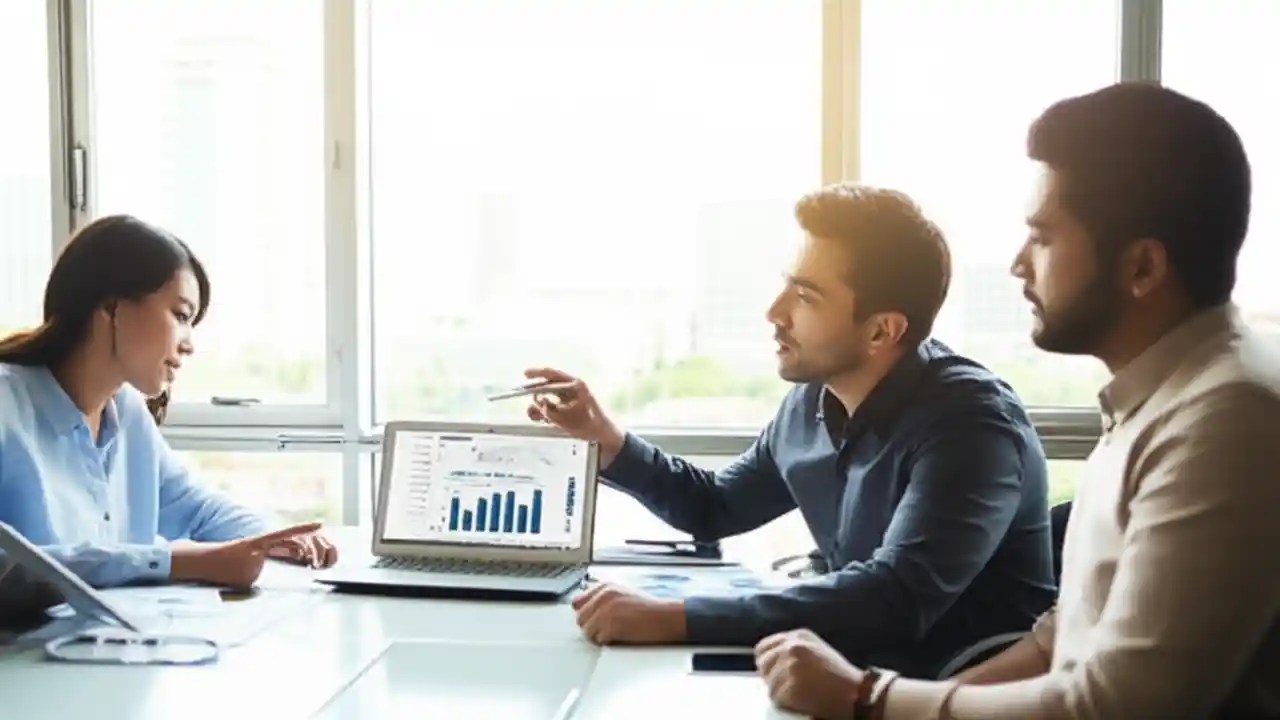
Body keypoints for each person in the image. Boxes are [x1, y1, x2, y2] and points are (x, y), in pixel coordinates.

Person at [755, 82, 1280, 719]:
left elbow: (1121, 703)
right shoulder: (1156, 399)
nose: (1017, 264)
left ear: (1142, 268)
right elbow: (1058, 642)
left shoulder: (1227, 419)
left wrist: (867, 698)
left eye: (1043, 237)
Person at [528, 185, 1056, 677]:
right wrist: (607, 441)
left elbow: (897, 598)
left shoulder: (971, 426)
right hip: (847, 670)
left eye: (804, 296)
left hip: (945, 690)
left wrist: (674, 618)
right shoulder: (813, 400)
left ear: (881, 330)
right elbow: (715, 507)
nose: (774, 312)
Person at [0, 214, 338, 591]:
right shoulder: (7, 406)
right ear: (112, 307)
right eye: (180, 315)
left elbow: (198, 508)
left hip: (106, 643)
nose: (189, 343)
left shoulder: (126, 413)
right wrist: (176, 562)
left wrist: (274, 537)